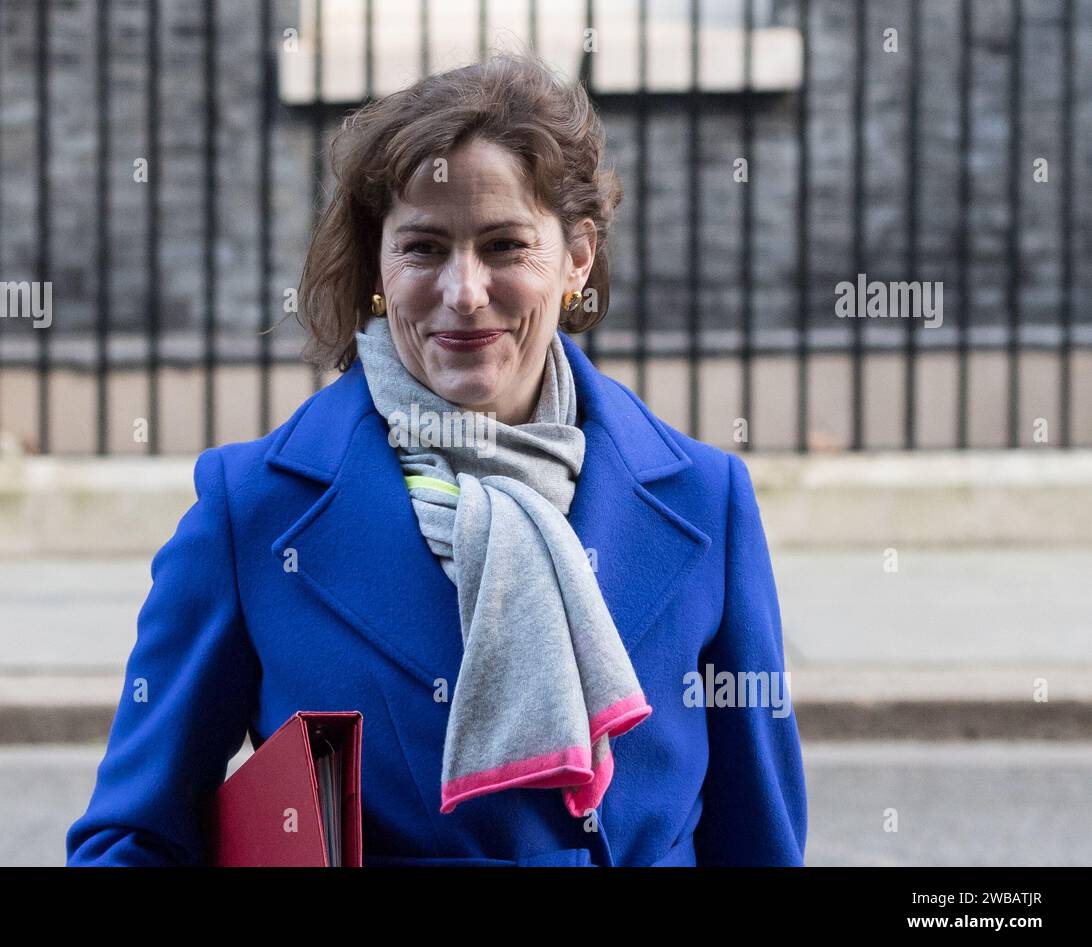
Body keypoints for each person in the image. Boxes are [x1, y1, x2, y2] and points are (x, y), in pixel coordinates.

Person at [66, 50, 807, 867]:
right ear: (380, 266)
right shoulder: (254, 513)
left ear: (578, 258)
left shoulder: (707, 500)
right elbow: (133, 838)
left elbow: (759, 838)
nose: (463, 291)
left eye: (504, 246)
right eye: (422, 247)